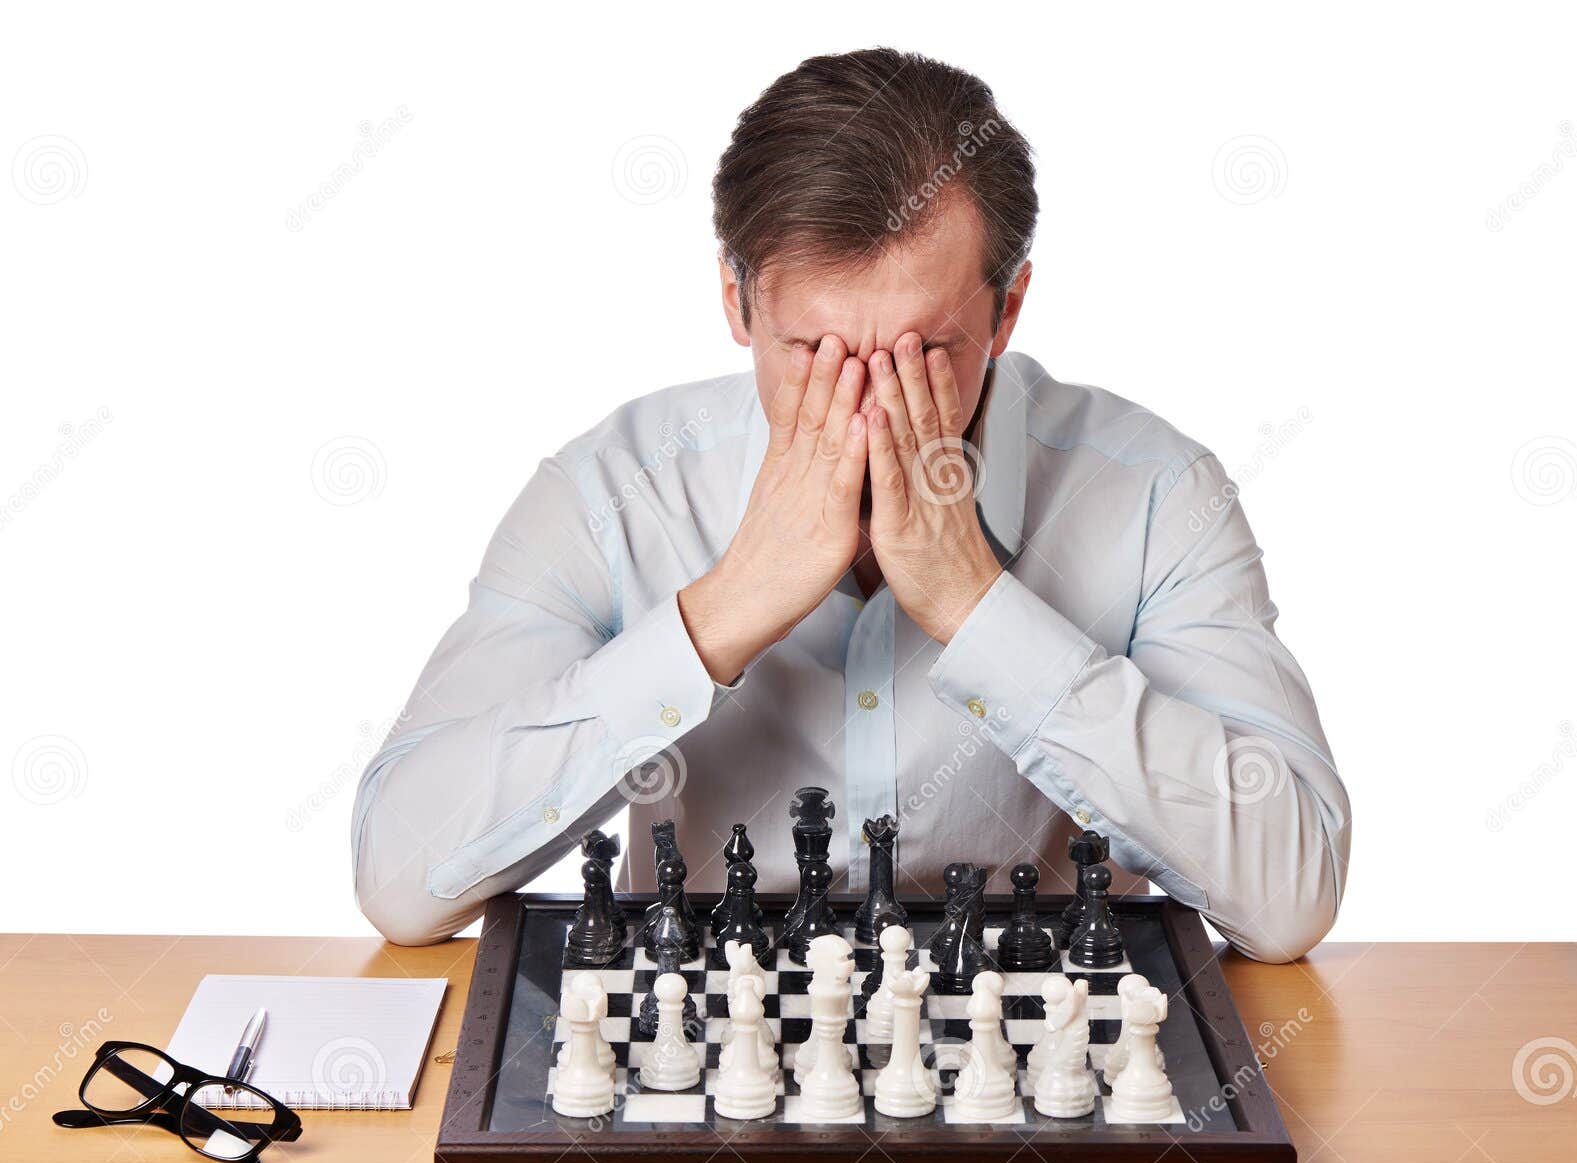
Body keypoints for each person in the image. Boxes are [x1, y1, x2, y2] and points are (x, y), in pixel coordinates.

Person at [351, 48, 1350, 963]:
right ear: (737, 304)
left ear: (1007, 309)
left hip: (1037, 1071)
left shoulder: (1152, 491)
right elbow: (403, 880)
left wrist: (978, 610)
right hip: (703, 1055)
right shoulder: (612, 490)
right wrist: (721, 613)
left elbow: (1289, 895)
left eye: (923, 353)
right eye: (813, 354)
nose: (869, 407)